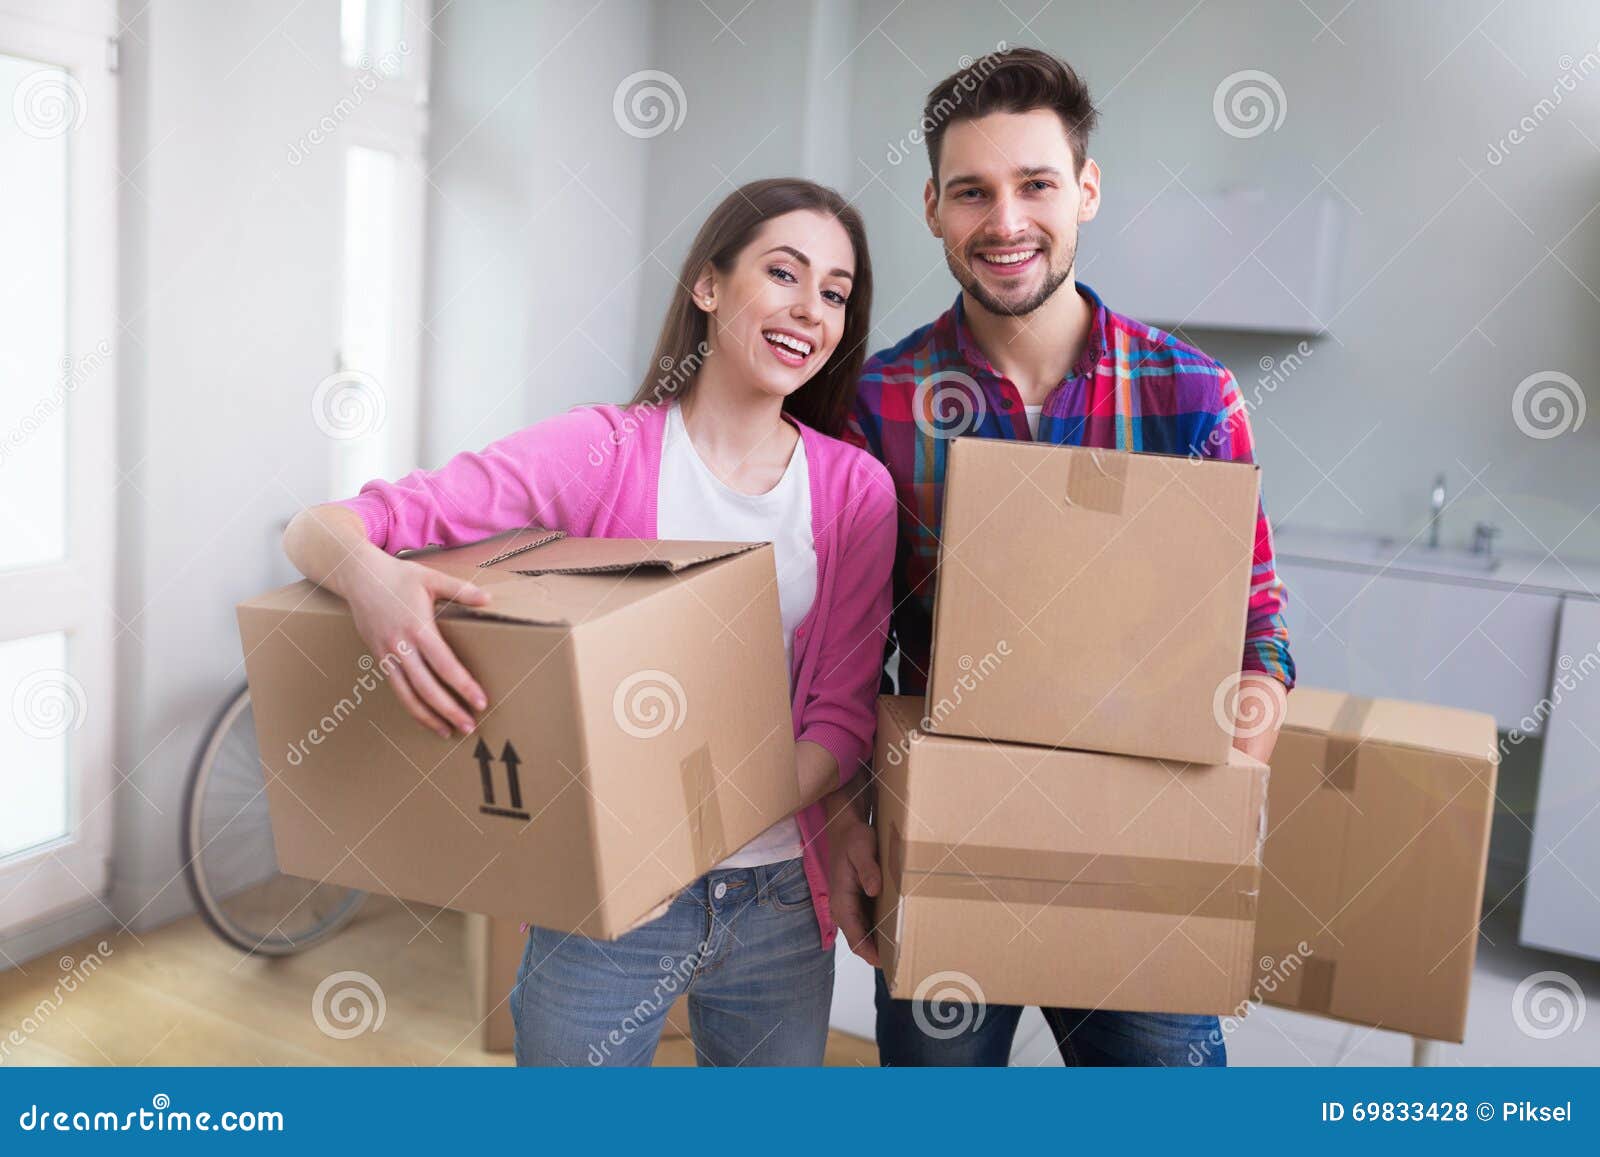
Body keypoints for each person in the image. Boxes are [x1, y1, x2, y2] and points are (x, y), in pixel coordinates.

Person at [283, 178, 895, 1067]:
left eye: (835, 293)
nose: (811, 309)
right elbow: (321, 528)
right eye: (783, 273)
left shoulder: (853, 490)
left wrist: (684, 828)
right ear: (708, 284)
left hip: (778, 902)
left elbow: (840, 720)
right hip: (607, 906)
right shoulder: (603, 450)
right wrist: (372, 585)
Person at [825, 46, 1297, 1067]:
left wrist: (1216, 804)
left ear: (1085, 189)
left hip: (1143, 845)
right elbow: (847, 655)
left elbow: (1258, 635)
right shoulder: (881, 402)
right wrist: (846, 817)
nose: (1005, 221)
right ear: (932, 208)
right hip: (949, 845)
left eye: (1035, 184)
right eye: (971, 191)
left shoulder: (1191, 394)